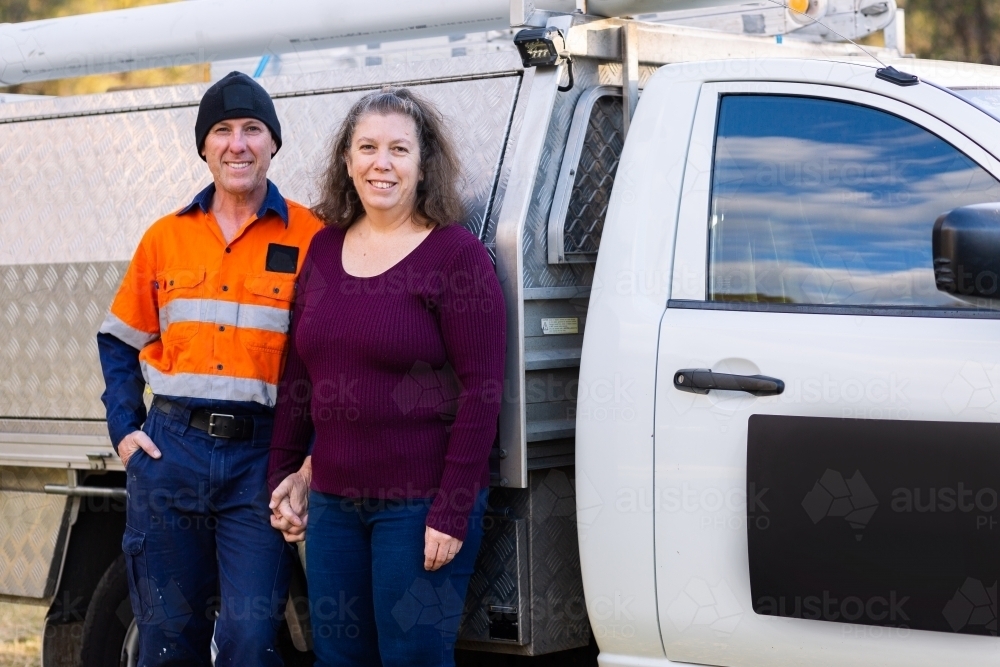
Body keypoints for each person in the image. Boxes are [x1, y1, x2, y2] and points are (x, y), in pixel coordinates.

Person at [266, 88, 506, 667]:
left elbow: (482, 392)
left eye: (399, 148)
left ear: (424, 164)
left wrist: (450, 510)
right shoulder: (322, 252)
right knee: (338, 658)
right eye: (367, 147)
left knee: (412, 658)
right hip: (332, 508)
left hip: (418, 507)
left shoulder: (457, 258)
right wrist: (286, 473)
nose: (382, 162)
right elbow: (300, 375)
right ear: (346, 162)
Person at [97, 71, 323, 666]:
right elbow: (118, 341)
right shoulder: (165, 238)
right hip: (172, 453)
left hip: (262, 458)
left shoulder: (313, 238)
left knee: (251, 642)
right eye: (221, 131)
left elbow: (334, 357)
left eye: (253, 129)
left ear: (273, 143)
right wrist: (125, 429)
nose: (237, 143)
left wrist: (307, 460)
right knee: (169, 640)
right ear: (204, 147)